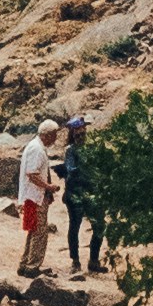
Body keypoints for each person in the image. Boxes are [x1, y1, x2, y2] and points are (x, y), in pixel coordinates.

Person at [14, 116, 58, 274]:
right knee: (39, 233)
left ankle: (25, 264)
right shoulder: (37, 149)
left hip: (32, 196)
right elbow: (32, 174)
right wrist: (48, 187)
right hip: (34, 197)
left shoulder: (35, 146)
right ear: (47, 135)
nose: (55, 138)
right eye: (54, 135)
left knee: (33, 230)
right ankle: (32, 267)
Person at [61, 112, 103, 276]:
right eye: (77, 134)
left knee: (99, 226)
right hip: (76, 193)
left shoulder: (94, 148)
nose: (80, 136)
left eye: (83, 133)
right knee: (74, 227)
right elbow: (70, 170)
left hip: (93, 193)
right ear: (73, 134)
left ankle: (94, 260)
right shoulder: (70, 151)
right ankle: (75, 261)